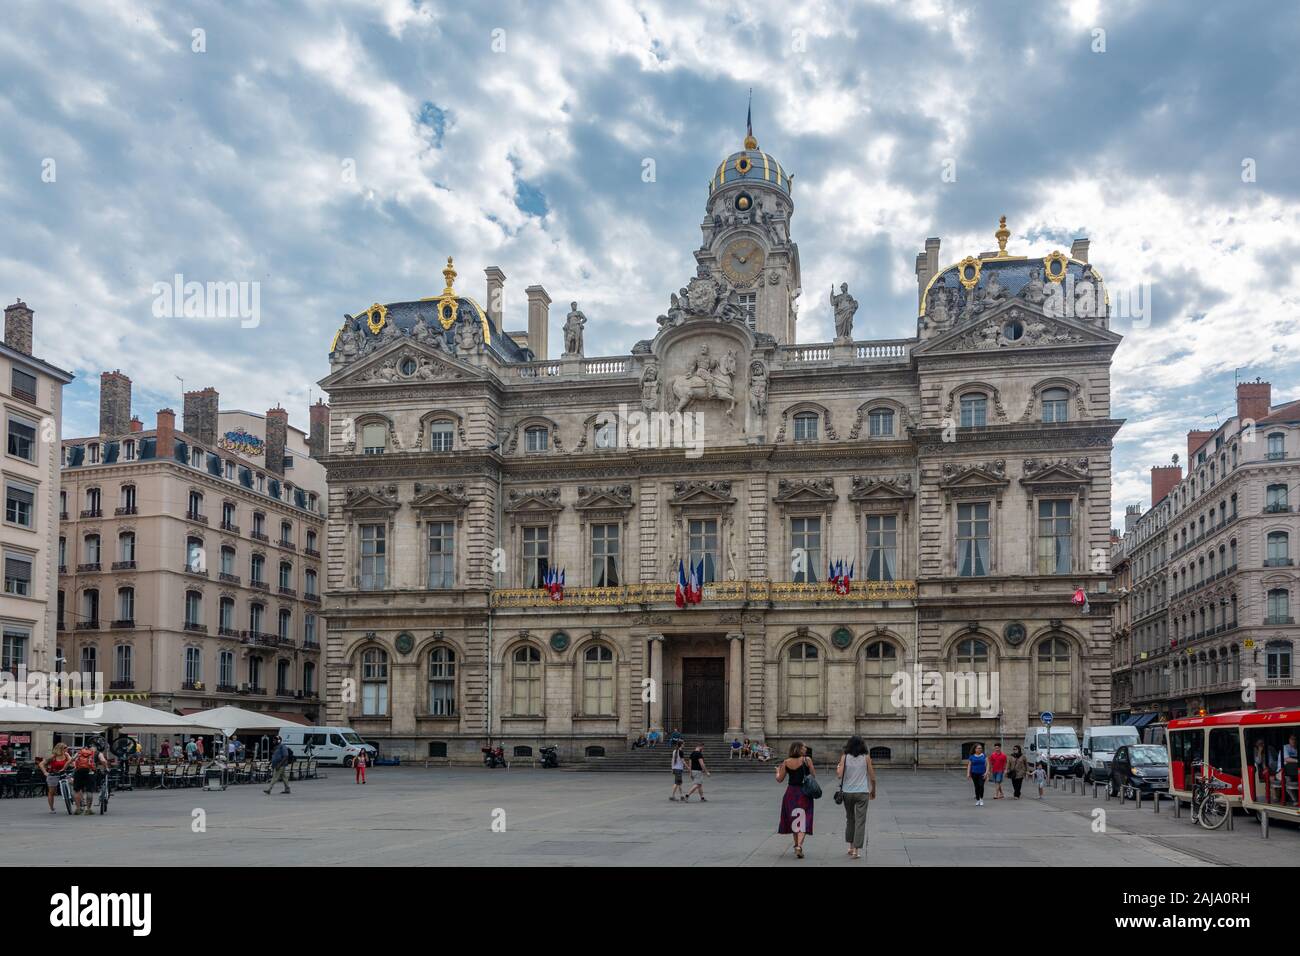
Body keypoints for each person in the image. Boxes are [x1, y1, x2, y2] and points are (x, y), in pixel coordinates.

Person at [836, 736, 876, 860]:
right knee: (860, 821)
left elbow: (839, 776)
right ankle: (856, 851)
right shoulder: (866, 758)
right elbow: (872, 777)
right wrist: (873, 790)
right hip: (862, 793)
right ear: (862, 745)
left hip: (847, 792)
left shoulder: (845, 757)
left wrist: (838, 767)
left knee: (850, 819)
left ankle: (850, 846)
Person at [777, 742, 815, 858]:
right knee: (804, 819)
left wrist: (777, 772)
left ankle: (796, 845)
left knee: (794, 819)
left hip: (791, 793)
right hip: (804, 792)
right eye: (804, 747)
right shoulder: (807, 760)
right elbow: (813, 775)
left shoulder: (786, 762)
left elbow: (779, 779)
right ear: (799, 749)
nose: (805, 748)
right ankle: (799, 846)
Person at [71, 741, 105, 815]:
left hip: (78, 772)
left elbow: (72, 760)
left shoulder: (80, 752)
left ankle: (78, 809)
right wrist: (106, 767)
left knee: (76, 790)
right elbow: (103, 761)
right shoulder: (98, 753)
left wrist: (64, 768)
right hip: (90, 772)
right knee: (89, 791)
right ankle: (88, 810)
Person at [36, 743, 72, 814]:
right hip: (53, 774)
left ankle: (75, 798)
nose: (67, 749)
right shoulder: (53, 756)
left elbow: (71, 761)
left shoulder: (66, 755)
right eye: (65, 747)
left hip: (64, 773)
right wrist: (45, 772)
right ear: (60, 749)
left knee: (73, 783)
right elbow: (41, 764)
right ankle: (52, 808)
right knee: (51, 792)